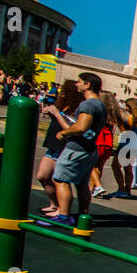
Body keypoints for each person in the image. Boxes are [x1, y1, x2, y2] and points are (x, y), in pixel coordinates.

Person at [50, 72, 106, 224]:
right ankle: (83, 215)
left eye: (79, 82)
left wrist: (64, 132)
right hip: (89, 148)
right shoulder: (100, 105)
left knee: (61, 179)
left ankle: (64, 216)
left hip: (77, 148)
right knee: (82, 182)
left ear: (87, 85)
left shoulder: (88, 104)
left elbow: (81, 127)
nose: (76, 84)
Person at [36, 79, 81, 216]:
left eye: (64, 91)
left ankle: (62, 209)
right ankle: (54, 204)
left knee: (60, 180)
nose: (61, 93)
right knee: (42, 176)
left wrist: (57, 114)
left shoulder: (76, 109)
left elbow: (71, 127)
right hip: (52, 144)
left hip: (63, 147)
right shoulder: (62, 106)